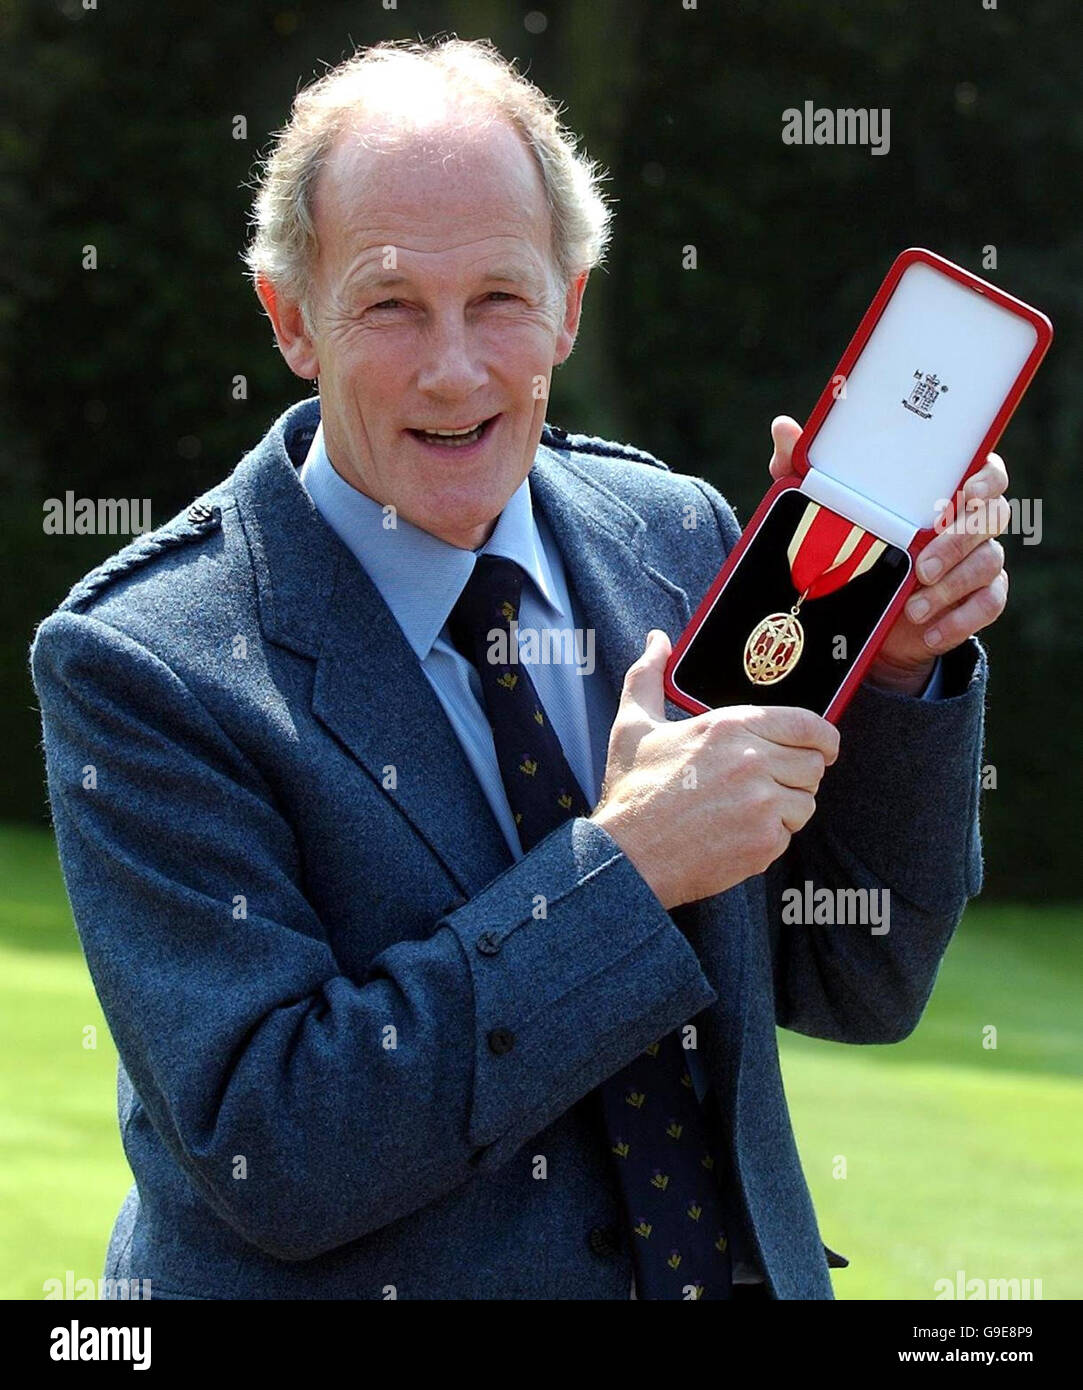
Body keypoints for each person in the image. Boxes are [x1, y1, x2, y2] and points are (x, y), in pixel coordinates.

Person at [31, 37, 1010, 1300]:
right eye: (389, 305)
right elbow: (276, 1149)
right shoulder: (144, 662)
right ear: (289, 321)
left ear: (571, 304)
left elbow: (857, 975)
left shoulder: (682, 540)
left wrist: (896, 674)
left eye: (501, 297)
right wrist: (629, 868)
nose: (456, 368)